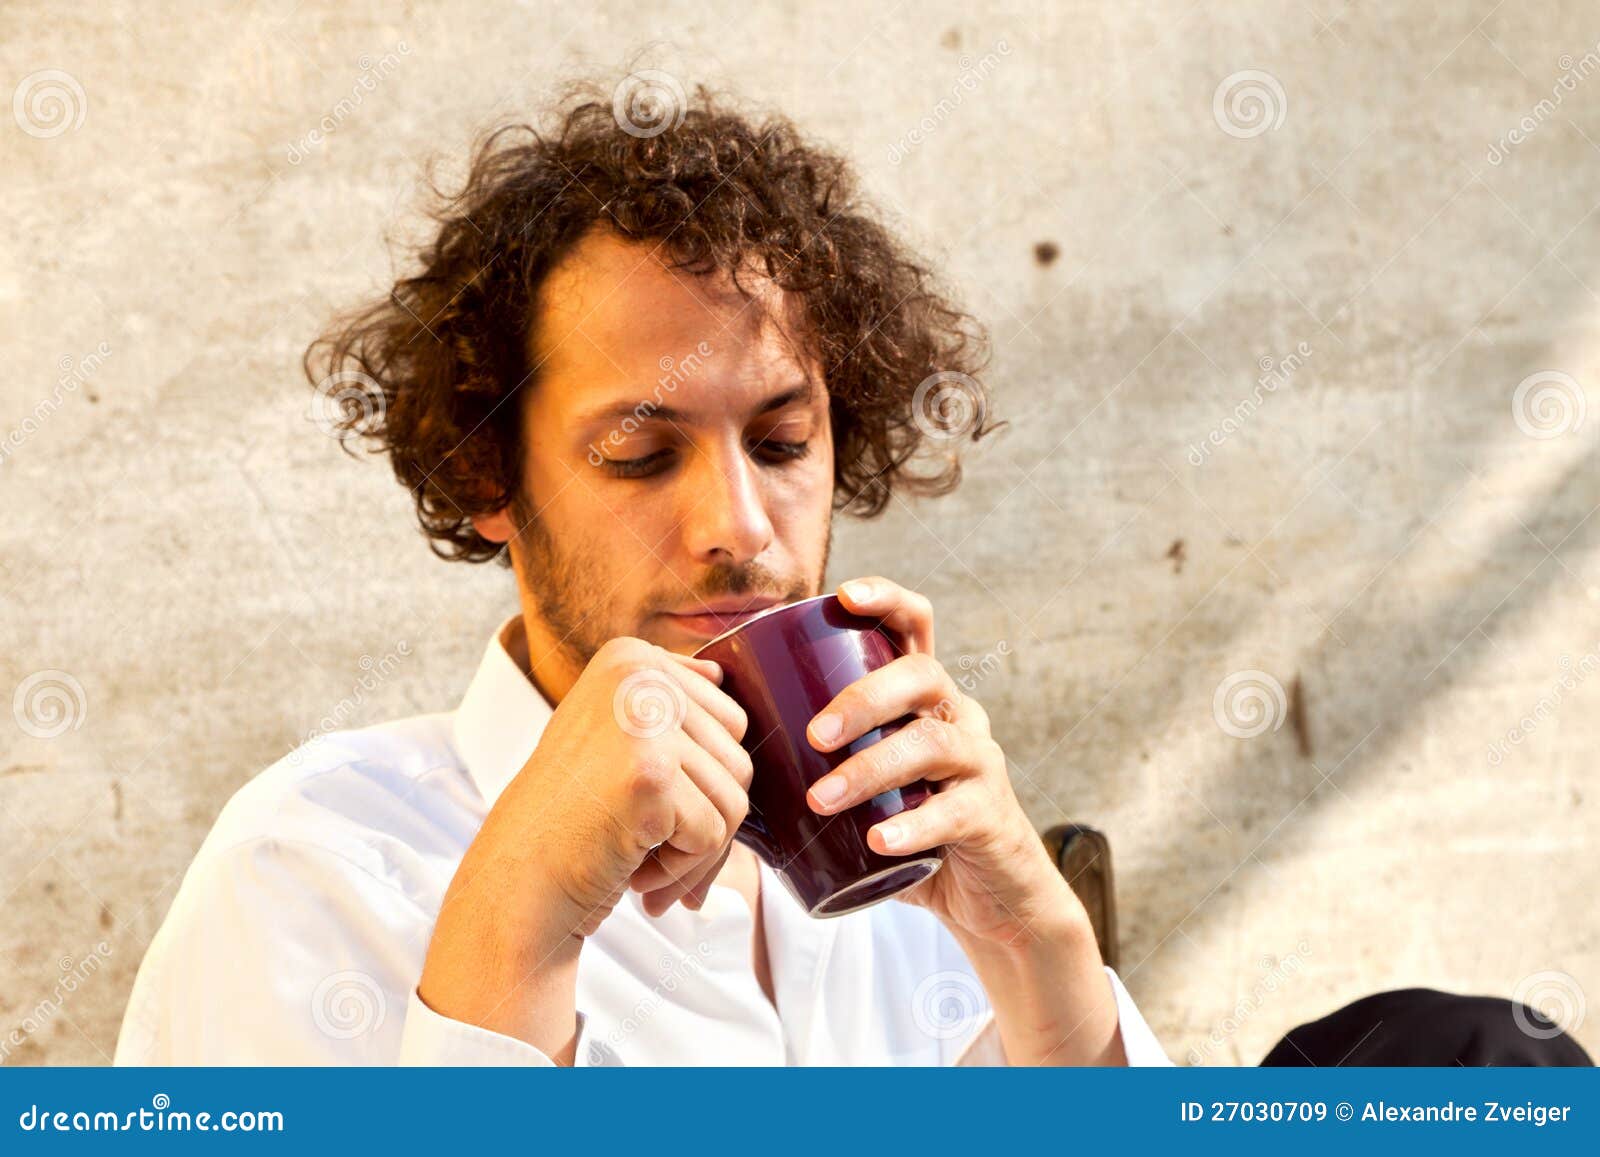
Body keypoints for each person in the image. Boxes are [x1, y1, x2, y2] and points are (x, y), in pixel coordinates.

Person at [113, 85, 1590, 1070]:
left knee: (1470, 1063)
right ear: (490, 480)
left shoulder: (902, 880)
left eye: (782, 440)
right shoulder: (314, 862)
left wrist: (1036, 942)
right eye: (642, 455)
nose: (740, 530)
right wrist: (519, 921)